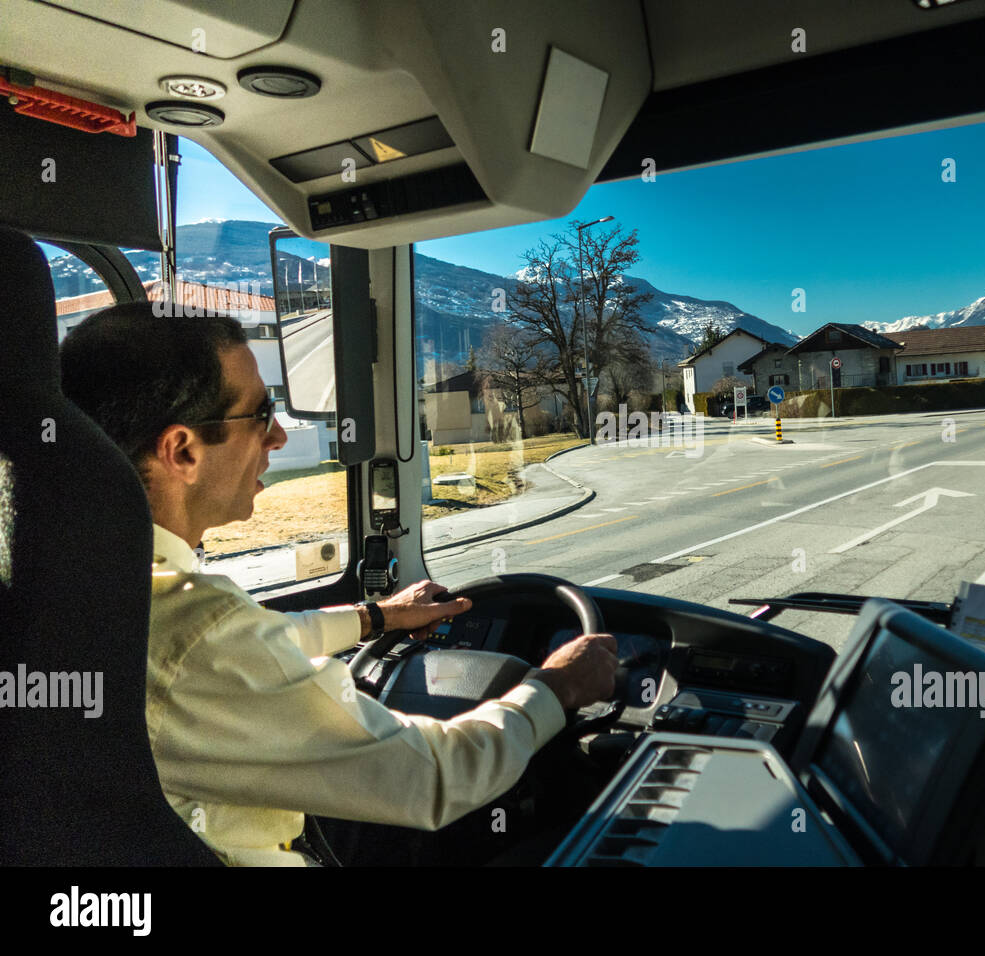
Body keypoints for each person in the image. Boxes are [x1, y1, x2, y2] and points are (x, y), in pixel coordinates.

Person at [60, 302, 617, 865]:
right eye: (259, 413)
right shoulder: (197, 627)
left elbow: (250, 647)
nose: (277, 436)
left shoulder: (87, 585)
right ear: (182, 451)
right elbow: (435, 779)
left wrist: (377, 617)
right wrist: (557, 688)